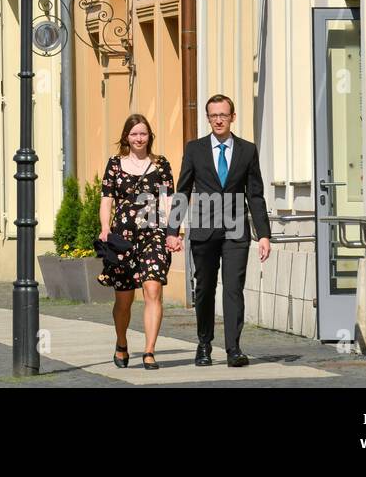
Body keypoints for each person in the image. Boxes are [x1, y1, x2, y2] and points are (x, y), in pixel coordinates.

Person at [166, 93, 271, 368]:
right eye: (213, 115)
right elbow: (183, 189)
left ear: (232, 117)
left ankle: (234, 348)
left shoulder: (247, 150)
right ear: (208, 118)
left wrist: (263, 234)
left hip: (236, 229)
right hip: (203, 229)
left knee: (234, 288)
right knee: (205, 288)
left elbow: (256, 195)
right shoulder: (195, 149)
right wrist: (172, 230)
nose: (218, 120)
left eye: (223, 115)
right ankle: (204, 344)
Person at [98, 114, 174, 371]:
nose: (139, 138)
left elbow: (168, 201)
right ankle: (121, 342)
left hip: (154, 234)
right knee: (124, 300)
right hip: (122, 238)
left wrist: (173, 232)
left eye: (143, 134)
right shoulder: (115, 164)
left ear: (149, 136)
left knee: (153, 290)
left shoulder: (161, 164)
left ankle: (149, 351)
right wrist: (105, 228)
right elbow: (107, 198)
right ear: (126, 138)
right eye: (134, 134)